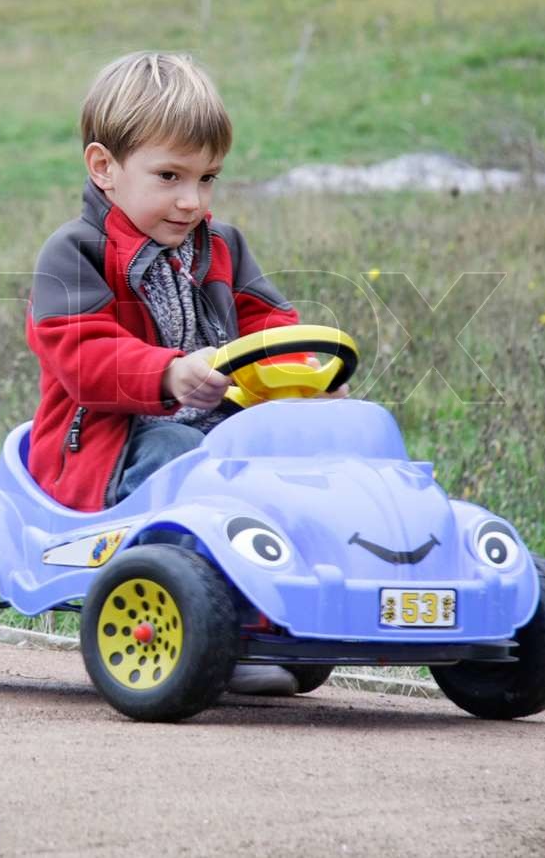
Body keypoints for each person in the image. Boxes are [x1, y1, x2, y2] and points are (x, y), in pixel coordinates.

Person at [25, 51, 341, 696]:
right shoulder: (74, 253)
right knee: (186, 457)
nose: (192, 200)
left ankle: (319, 601)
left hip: (219, 425)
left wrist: (303, 369)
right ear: (104, 168)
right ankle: (218, 631)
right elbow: (81, 352)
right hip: (110, 442)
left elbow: (267, 320)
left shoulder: (221, 246)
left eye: (208, 178)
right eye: (169, 176)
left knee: (307, 460)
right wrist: (167, 373)